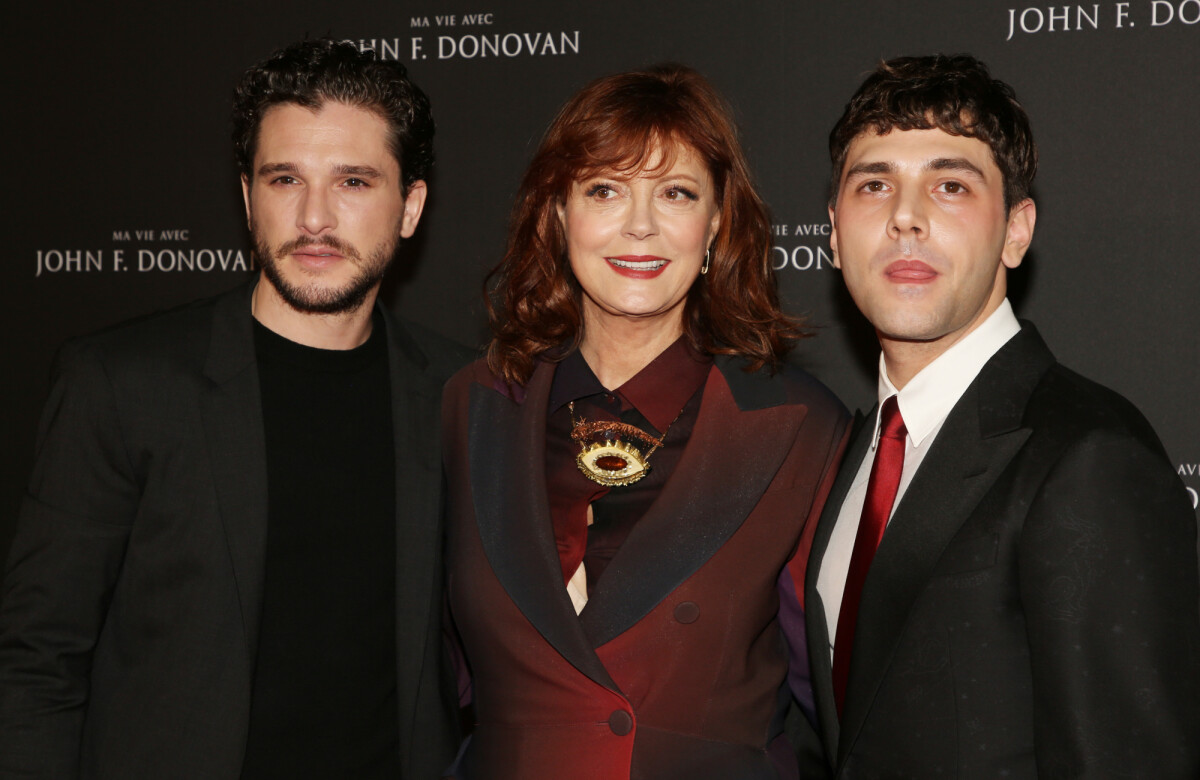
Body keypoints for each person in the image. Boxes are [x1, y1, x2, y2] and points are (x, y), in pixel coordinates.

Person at [0, 39, 467, 778]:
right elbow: (35, 662)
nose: (314, 217)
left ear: (409, 207)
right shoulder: (123, 385)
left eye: (353, 181)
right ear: (249, 198)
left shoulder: (462, 395)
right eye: (285, 179)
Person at [440, 64, 850, 780]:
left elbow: (839, 702)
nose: (640, 225)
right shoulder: (471, 408)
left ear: (717, 219)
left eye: (676, 194)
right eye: (604, 190)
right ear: (559, 211)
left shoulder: (797, 431)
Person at [806, 53, 1200, 778]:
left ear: (1016, 232)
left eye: (950, 184)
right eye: (874, 184)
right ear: (833, 232)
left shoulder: (1088, 455)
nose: (905, 218)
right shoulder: (858, 449)